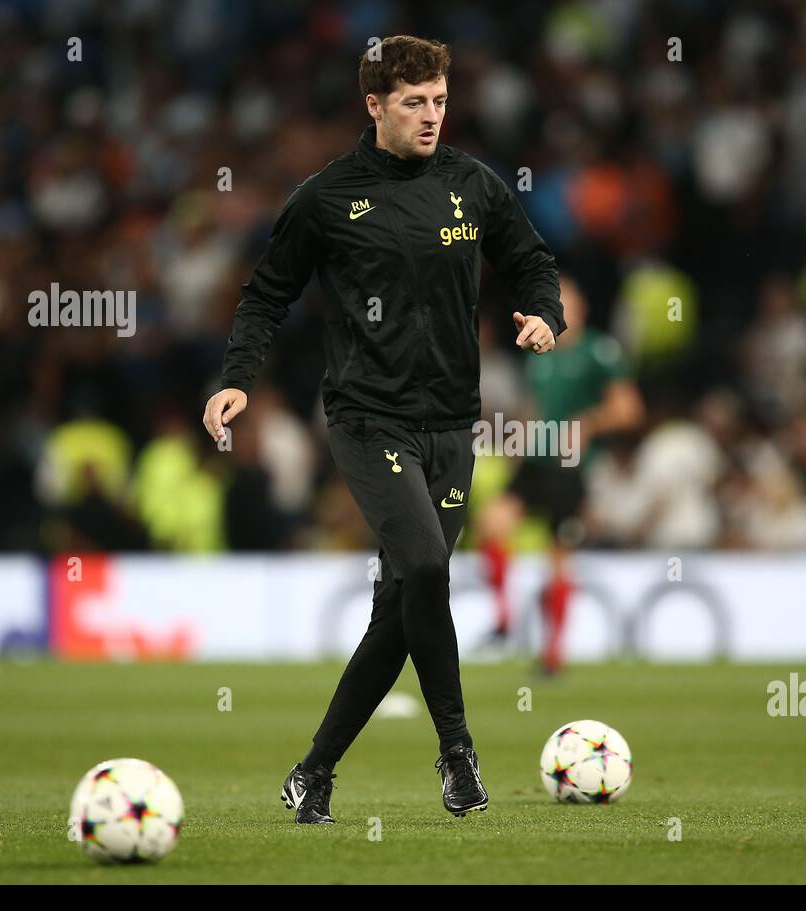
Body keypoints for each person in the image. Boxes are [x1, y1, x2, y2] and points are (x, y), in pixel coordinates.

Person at [202, 36, 565, 822]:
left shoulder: (472, 184)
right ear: (374, 105)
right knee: (427, 567)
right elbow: (266, 295)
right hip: (368, 419)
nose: (431, 116)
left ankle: (314, 773)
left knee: (401, 605)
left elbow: (533, 261)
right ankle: (458, 751)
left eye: (440, 101)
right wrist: (235, 378)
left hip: (453, 423)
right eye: (414, 103)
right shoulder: (327, 198)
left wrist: (546, 313)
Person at [476, 273, 643, 673]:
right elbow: (534, 409)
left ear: (581, 308)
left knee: (558, 556)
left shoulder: (598, 351)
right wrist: (518, 445)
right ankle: (504, 620)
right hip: (536, 463)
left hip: (569, 468)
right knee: (491, 524)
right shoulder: (540, 353)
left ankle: (553, 652)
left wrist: (588, 423)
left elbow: (629, 409)